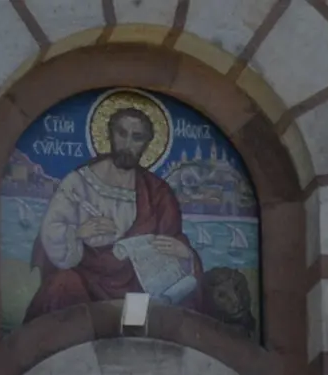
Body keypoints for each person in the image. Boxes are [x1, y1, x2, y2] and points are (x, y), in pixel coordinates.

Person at [23, 106, 202, 322]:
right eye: (122, 133)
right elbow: (52, 229)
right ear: (110, 134)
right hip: (85, 281)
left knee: (141, 326)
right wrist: (78, 233)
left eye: (137, 138)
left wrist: (185, 254)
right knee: (62, 286)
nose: (127, 144)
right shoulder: (79, 182)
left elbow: (173, 244)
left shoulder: (157, 193)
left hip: (137, 290)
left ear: (147, 144)